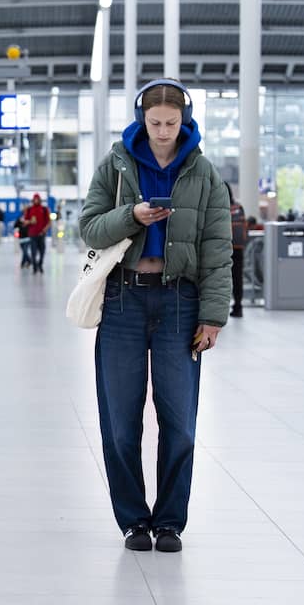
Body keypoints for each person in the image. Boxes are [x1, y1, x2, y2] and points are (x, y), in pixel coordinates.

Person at [79, 79, 231, 555]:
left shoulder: (204, 173)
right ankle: (132, 521)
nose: (164, 132)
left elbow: (217, 249)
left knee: (180, 422)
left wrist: (213, 316)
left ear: (184, 120)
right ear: (141, 120)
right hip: (123, 300)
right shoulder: (116, 165)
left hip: (180, 303)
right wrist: (132, 216)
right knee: (122, 423)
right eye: (155, 123)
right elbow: (88, 227)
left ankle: (169, 521)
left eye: (172, 123)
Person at [227, 184, 246, 318]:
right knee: (237, 278)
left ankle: (218, 309)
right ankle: (238, 306)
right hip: (238, 248)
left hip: (222, 249)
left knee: (218, 279)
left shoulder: (218, 207)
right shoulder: (239, 208)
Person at [23, 193, 51, 273]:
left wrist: (45, 230)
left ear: (39, 200)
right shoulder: (29, 209)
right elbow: (25, 222)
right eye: (35, 199)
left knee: (42, 251)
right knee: (33, 251)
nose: (36, 201)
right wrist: (30, 221)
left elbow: (49, 222)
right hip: (32, 234)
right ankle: (34, 267)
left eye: (37, 199)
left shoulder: (44, 209)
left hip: (41, 234)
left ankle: (40, 264)